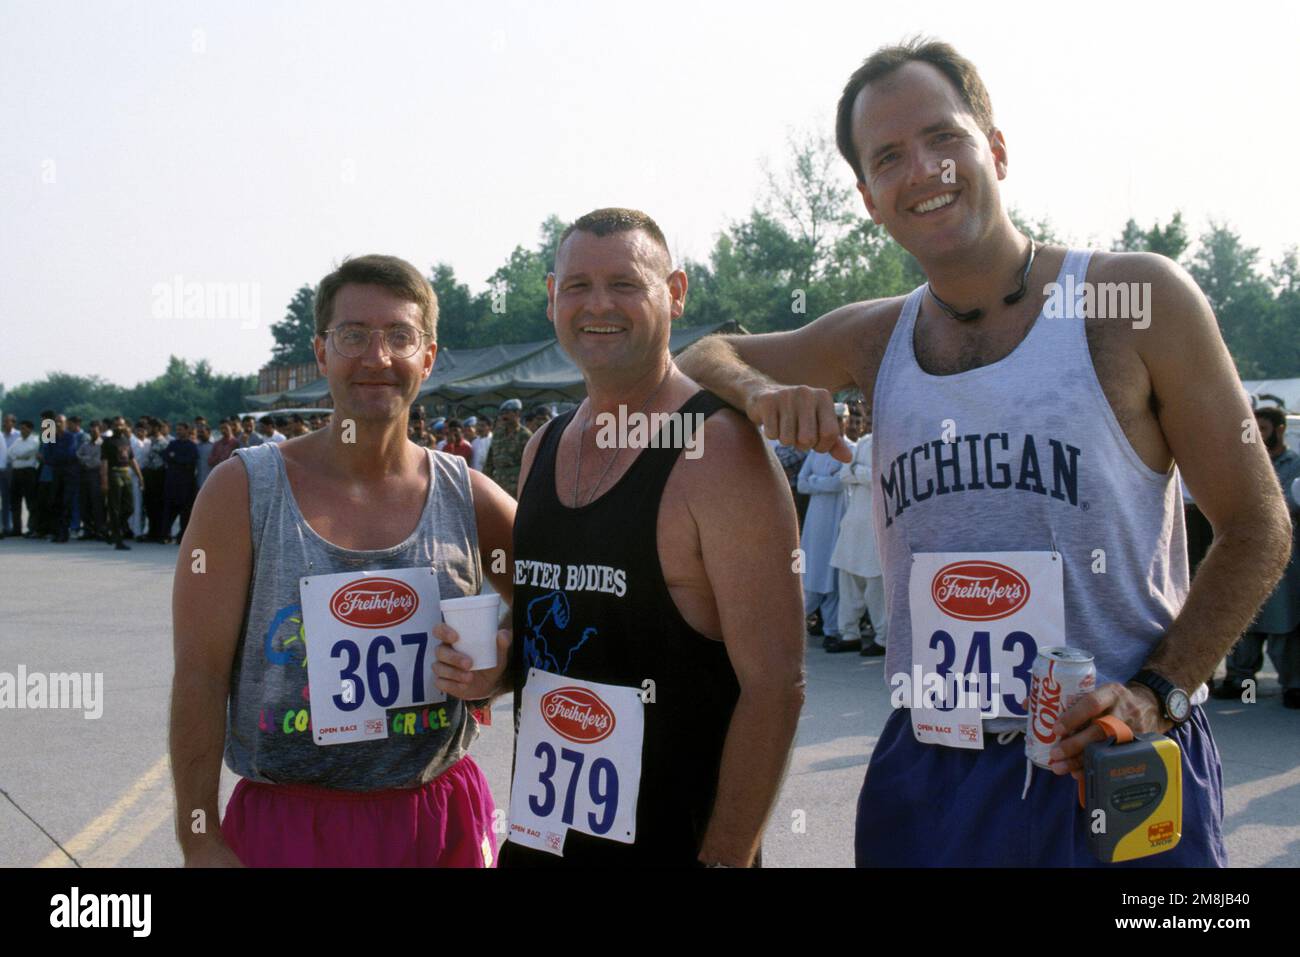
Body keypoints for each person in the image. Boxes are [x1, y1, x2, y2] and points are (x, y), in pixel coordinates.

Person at [677, 39, 1292, 867]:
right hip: (932, 768)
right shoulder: (875, 336)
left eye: (944, 138)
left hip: (1113, 758)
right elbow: (706, 353)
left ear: (995, 149)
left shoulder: (1133, 302)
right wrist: (762, 395)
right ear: (868, 197)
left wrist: (1154, 694)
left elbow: (1259, 524)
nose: (923, 168)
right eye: (889, 156)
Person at [438, 207, 804, 867]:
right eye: (577, 286)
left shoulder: (716, 450)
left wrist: (723, 856)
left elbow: (776, 683)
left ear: (676, 292)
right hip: (542, 837)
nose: (598, 304)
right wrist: (496, 667)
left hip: (676, 842)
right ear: (552, 299)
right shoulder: (544, 446)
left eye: (626, 284)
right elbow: (554, 627)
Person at [170, 253, 517, 868]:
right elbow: (199, 675)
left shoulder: (472, 497)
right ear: (322, 352)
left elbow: (560, 610)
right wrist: (198, 838)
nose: (376, 358)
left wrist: (503, 668)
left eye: (399, 337)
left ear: (428, 358)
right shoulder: (244, 492)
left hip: (438, 821)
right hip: (290, 825)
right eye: (352, 335)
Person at [1216, 406, 1300, 708]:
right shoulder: (1246, 462)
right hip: (1247, 557)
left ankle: (1293, 685)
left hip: (1286, 559)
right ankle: (1239, 679)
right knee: (1245, 620)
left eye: (1262, 430)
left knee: (1284, 626)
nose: (1256, 436)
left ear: (1279, 430)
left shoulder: (1296, 465)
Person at [831, 410, 887, 657]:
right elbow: (844, 475)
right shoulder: (863, 442)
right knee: (848, 581)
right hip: (853, 522)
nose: (868, 422)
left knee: (875, 585)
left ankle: (883, 637)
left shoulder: (891, 442)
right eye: (868, 417)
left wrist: (859, 472)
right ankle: (849, 634)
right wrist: (861, 472)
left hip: (876, 523)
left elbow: (882, 478)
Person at [798, 403, 854, 652]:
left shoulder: (851, 450)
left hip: (839, 517)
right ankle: (795, 624)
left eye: (842, 419)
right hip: (816, 521)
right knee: (813, 573)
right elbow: (801, 483)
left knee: (833, 577)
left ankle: (832, 630)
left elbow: (839, 484)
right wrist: (823, 481)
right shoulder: (816, 452)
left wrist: (816, 481)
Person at [101, 416, 143, 551]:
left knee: (129, 507)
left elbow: (132, 459)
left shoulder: (126, 440)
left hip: (126, 474)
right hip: (114, 473)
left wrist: (140, 477)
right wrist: (104, 482)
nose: (119, 427)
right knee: (115, 508)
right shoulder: (107, 442)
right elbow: (104, 463)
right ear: (113, 426)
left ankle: (109, 527)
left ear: (125, 426)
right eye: (117, 425)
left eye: (121, 425)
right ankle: (118, 540)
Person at [483, 399, 531, 496]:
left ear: (517, 413)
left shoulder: (525, 435)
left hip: (517, 486)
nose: (504, 416)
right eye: (502, 413)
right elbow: (489, 462)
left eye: (507, 413)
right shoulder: (497, 434)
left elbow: (530, 463)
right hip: (498, 484)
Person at [162, 421, 199, 542]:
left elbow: (189, 461)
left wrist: (175, 458)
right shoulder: (172, 444)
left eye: (180, 429)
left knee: (185, 512)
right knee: (169, 510)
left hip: (186, 484)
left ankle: (182, 536)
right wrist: (178, 459)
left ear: (187, 431)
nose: (178, 432)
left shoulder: (192, 446)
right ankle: (165, 535)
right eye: (177, 430)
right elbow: (166, 456)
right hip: (172, 483)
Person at [76, 420, 106, 540]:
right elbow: (78, 455)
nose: (93, 433)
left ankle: (100, 530)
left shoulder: (103, 444)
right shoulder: (85, 444)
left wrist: (86, 459)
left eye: (95, 430)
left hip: (97, 475)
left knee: (97, 504)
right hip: (84, 475)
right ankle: (88, 530)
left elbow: (98, 461)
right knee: (84, 503)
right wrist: (89, 459)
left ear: (100, 430)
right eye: (91, 430)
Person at [9, 420, 39, 536]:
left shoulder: (34, 440)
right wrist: (20, 457)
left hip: (28, 472)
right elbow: (10, 453)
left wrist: (19, 456)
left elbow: (30, 451)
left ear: (30, 429)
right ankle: (17, 529)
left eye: (24, 428)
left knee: (30, 501)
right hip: (16, 472)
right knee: (15, 502)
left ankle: (32, 528)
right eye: (20, 428)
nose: (21, 431)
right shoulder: (18, 441)